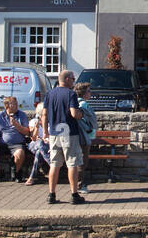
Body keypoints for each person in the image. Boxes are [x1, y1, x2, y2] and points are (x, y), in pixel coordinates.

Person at [45, 69, 86, 204]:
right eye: (73, 79)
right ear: (67, 79)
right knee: (72, 163)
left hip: (54, 132)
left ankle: (51, 194)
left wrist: (45, 131)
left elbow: (44, 115)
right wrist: (81, 113)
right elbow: (74, 113)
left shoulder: (50, 94)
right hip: (68, 132)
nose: (74, 82)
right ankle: (74, 194)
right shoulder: (71, 94)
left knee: (54, 163)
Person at [0, 96, 31, 182]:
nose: (17, 105)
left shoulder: (22, 115)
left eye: (17, 103)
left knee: (20, 153)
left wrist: (16, 125)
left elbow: (27, 132)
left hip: (17, 144)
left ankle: (16, 172)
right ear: (7, 106)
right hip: (2, 144)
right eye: (14, 104)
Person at [74, 81, 98, 193]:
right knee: (82, 161)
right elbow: (85, 120)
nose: (90, 93)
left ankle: (78, 184)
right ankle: (80, 185)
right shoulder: (82, 105)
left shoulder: (77, 103)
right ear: (83, 93)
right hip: (83, 136)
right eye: (89, 91)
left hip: (81, 135)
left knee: (80, 161)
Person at [24, 102, 52, 185]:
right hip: (34, 144)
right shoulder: (34, 121)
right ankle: (51, 163)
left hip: (47, 145)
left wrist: (48, 140)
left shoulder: (50, 122)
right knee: (39, 143)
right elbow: (33, 138)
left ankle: (32, 177)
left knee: (39, 152)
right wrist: (36, 128)